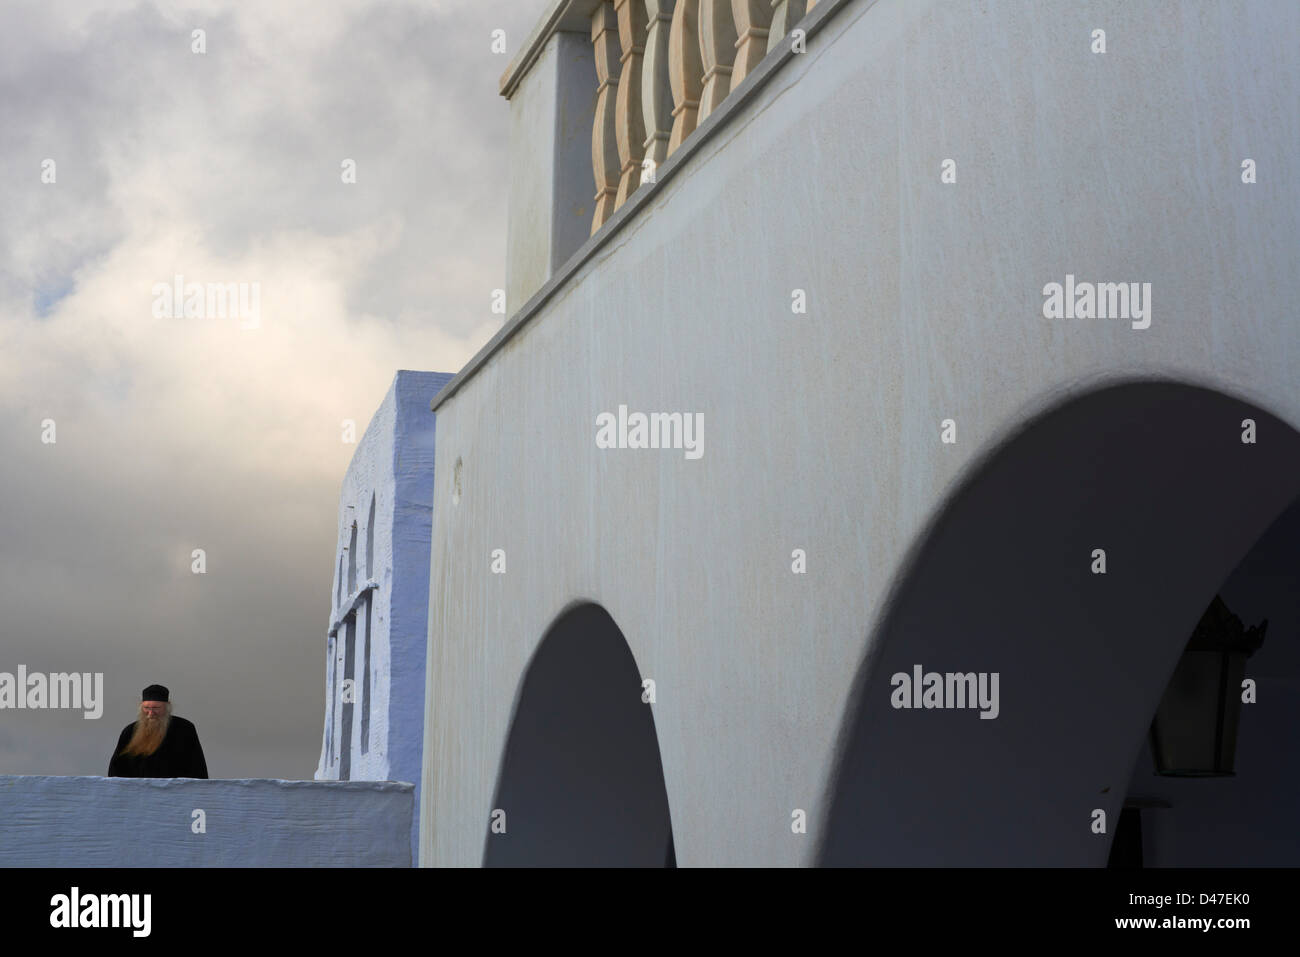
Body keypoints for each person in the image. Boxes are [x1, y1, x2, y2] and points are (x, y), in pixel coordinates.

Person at [107, 684, 208, 778]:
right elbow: (116, 768)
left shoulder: (185, 728)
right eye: (146, 708)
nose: (151, 713)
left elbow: (197, 765)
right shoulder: (129, 731)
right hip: (138, 792)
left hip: (175, 792)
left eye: (156, 708)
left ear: (167, 706)